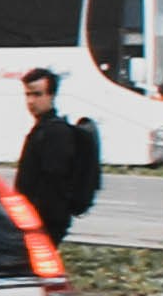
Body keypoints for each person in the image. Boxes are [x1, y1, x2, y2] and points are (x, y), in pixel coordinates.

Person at [14, 68, 103, 238]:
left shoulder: (55, 133)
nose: (31, 101)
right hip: (39, 222)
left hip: (44, 224)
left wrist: (33, 222)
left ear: (52, 96)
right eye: (27, 95)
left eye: (37, 94)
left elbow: (53, 183)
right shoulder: (42, 130)